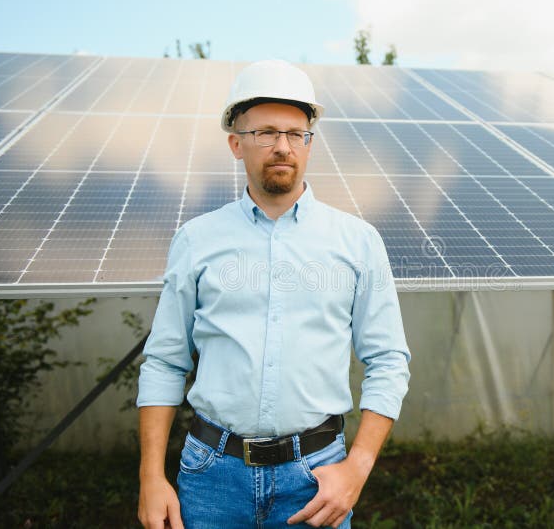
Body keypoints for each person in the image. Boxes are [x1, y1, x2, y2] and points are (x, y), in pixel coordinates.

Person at [135, 59, 411, 529]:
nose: (282, 146)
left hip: (316, 477)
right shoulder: (197, 239)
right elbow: (164, 361)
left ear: (309, 143)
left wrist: (357, 469)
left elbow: (388, 360)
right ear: (235, 144)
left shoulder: (358, 242)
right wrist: (150, 478)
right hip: (210, 477)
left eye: (295, 133)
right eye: (265, 132)